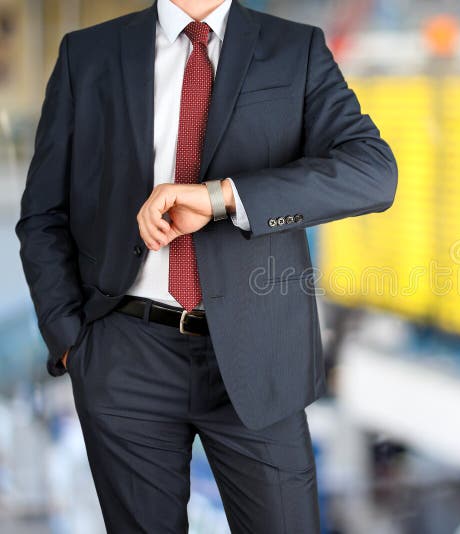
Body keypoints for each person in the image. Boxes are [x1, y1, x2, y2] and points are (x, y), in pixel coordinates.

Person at [15, 0, 398, 531]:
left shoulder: (295, 50)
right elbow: (43, 214)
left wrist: (221, 197)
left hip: (261, 354)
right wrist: (70, 342)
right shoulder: (89, 55)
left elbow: (373, 172)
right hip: (124, 354)